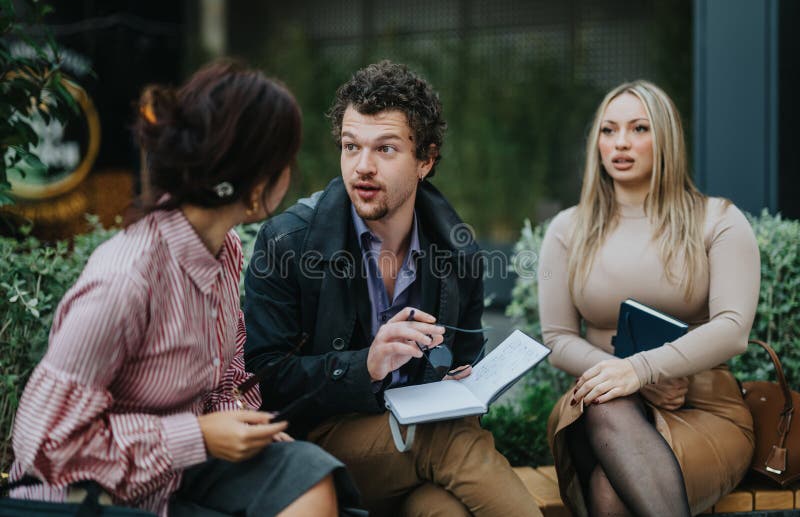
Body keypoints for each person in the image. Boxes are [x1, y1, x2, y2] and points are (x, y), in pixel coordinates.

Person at [9, 61, 361, 517]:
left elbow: (226, 372)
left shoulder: (224, 250)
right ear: (257, 186)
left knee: (310, 477)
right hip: (96, 497)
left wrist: (240, 422)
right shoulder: (125, 280)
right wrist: (197, 436)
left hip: (184, 472)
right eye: (286, 161)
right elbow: (44, 442)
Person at [243, 60, 542, 517]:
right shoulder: (287, 242)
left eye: (385, 149)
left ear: (426, 160)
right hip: (313, 451)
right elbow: (262, 379)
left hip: (406, 454)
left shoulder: (458, 250)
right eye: (351, 147)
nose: (362, 167)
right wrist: (366, 365)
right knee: (443, 437)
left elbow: (463, 355)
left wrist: (458, 379)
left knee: (444, 511)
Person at [538, 80, 760, 516]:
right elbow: (557, 339)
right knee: (606, 404)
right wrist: (625, 377)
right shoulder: (567, 229)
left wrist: (642, 369)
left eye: (639, 128)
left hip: (702, 408)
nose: (620, 142)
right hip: (601, 404)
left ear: (666, 139)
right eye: (608, 130)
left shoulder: (719, 220)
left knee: (611, 492)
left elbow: (733, 329)